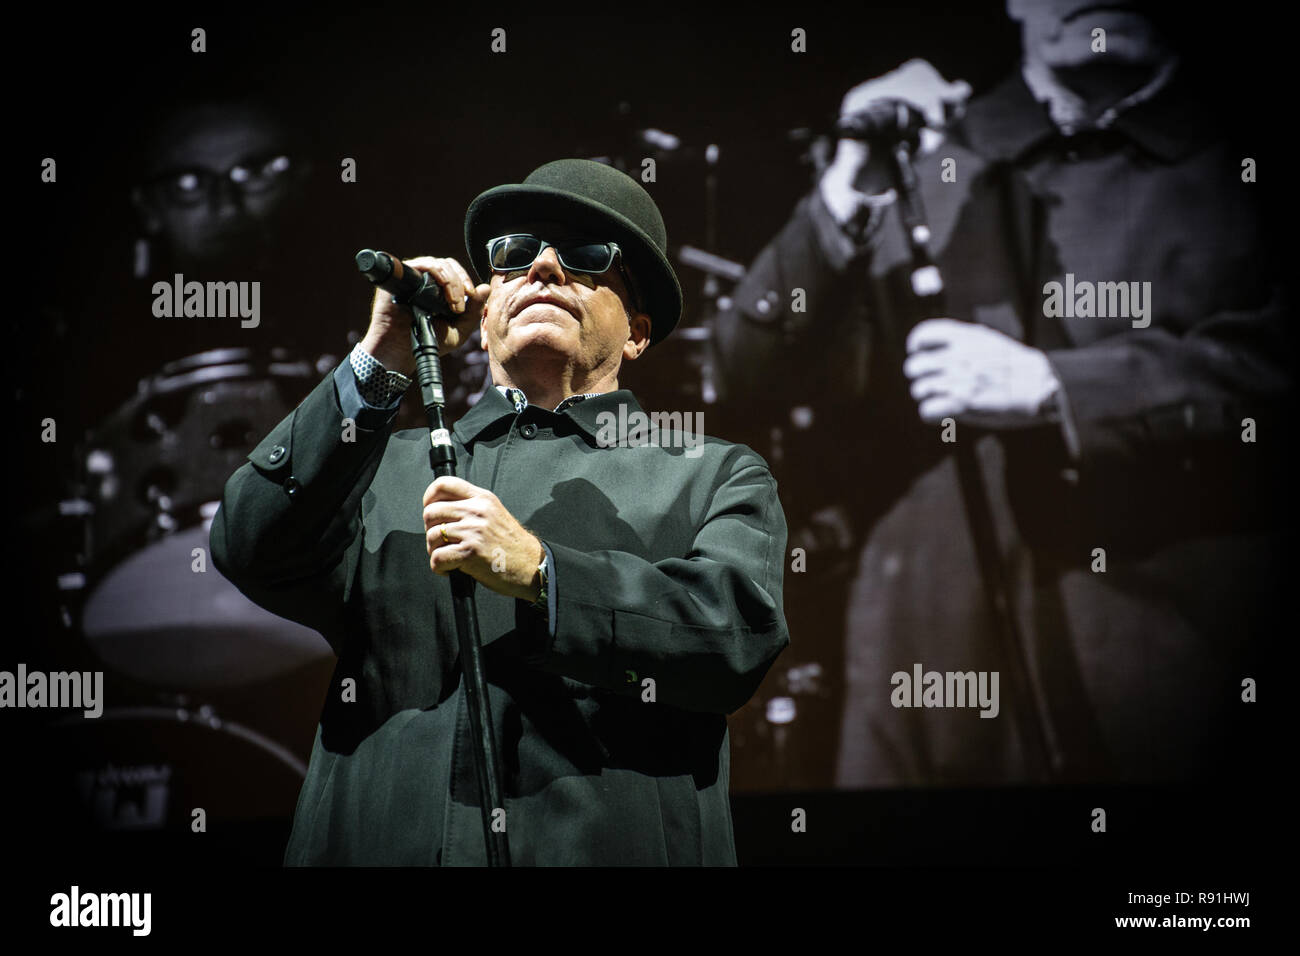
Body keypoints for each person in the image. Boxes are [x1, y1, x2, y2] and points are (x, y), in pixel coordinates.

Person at [714, 2, 1287, 786]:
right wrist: (846, 190)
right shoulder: (930, 151)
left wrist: (1059, 389)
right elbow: (746, 374)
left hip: (1165, 668)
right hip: (923, 669)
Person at [211, 158, 790, 865]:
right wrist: (381, 359)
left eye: (585, 258)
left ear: (637, 333)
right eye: (515, 255)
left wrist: (545, 576)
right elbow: (249, 545)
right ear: (485, 316)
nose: (545, 267)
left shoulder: (709, 473)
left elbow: (734, 637)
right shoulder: (382, 465)